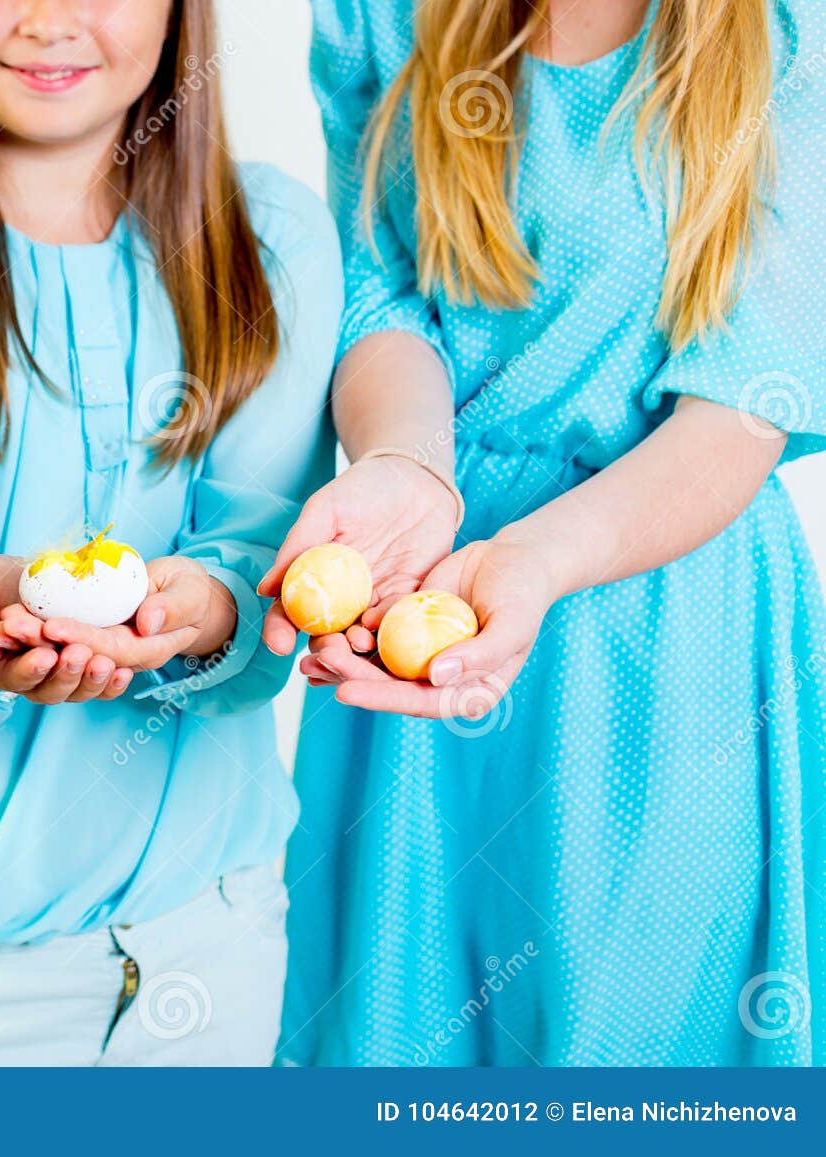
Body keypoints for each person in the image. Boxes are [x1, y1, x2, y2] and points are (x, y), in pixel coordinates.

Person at [265, 0, 826, 1064]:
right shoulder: (380, 19)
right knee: (410, 1038)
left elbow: (743, 403)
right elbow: (380, 307)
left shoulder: (791, 34)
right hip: (424, 585)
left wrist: (536, 556)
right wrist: (403, 464)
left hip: (671, 608)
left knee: (644, 1048)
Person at [0, 0, 341, 1065]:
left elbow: (265, 563)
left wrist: (204, 611)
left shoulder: (275, 235)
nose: (49, 19)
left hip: (208, 933)